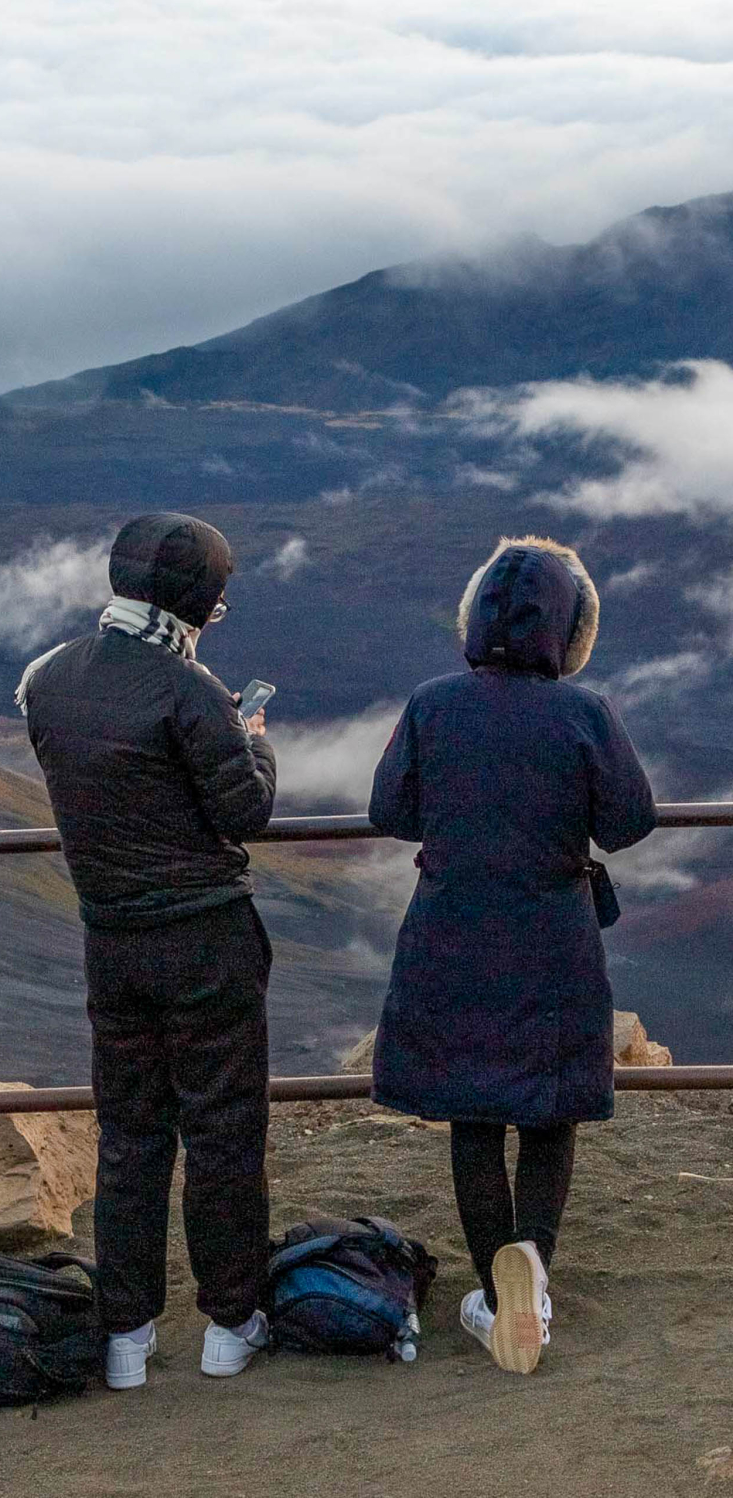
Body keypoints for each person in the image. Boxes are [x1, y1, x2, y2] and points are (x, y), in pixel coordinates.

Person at [369, 534, 655, 1375]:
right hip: (551, 939)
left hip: (449, 935)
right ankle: (533, 1276)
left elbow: (392, 811)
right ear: (566, 632)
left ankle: (497, 1299)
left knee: (473, 1115)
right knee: (548, 1112)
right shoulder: (585, 713)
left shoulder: (431, 703)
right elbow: (629, 823)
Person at [17, 512, 277, 1391]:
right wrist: (255, 744)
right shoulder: (192, 691)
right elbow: (244, 814)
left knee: (128, 1136)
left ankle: (125, 1337)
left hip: (112, 941)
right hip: (207, 941)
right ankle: (231, 1321)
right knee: (223, 1131)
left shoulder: (46, 682)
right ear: (199, 601)